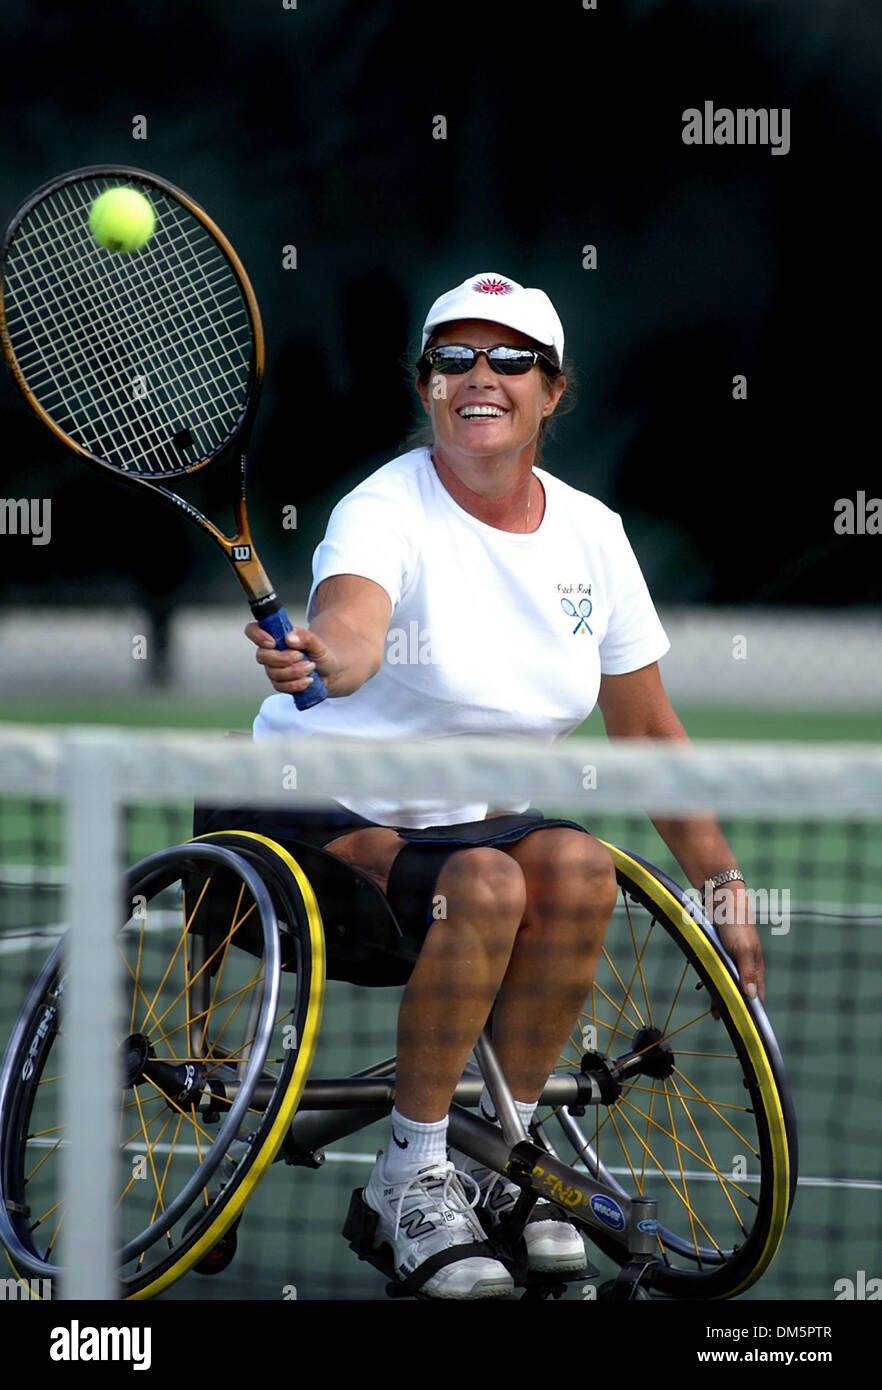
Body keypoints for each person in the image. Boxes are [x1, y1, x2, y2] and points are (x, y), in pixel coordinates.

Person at [243, 271, 766, 1299]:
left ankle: (498, 1169)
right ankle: (411, 1174)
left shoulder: (593, 536)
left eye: (510, 358)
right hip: (320, 813)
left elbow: (648, 727)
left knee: (577, 867)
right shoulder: (381, 509)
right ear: (427, 383)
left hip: (470, 825)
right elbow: (351, 627)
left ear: (552, 390)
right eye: (453, 358)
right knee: (485, 882)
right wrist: (323, 658)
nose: (480, 377)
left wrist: (723, 880)